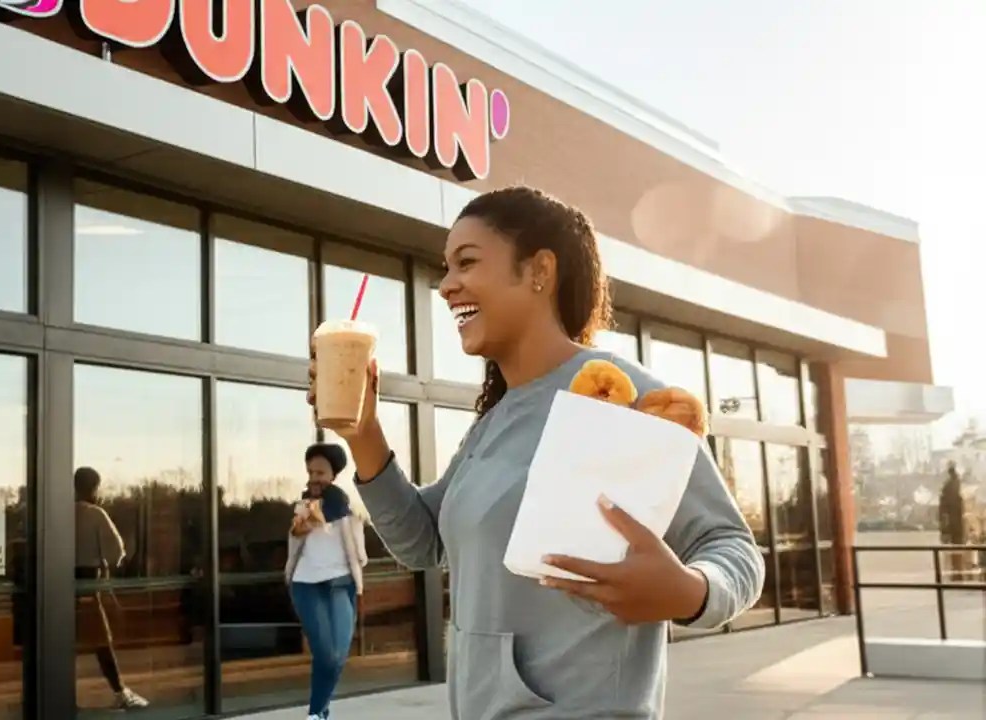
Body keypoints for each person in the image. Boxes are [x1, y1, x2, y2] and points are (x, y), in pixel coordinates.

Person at [308, 186, 764, 719]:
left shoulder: (620, 395)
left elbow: (732, 547)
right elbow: (423, 541)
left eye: (467, 262)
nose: (447, 286)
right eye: (445, 268)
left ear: (538, 271)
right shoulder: (495, 420)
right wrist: (364, 433)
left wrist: (690, 591)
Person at [285, 444, 368, 720]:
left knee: (338, 656)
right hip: (307, 585)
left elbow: (360, 552)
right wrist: (305, 524)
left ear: (333, 474)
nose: (314, 477)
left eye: (320, 472)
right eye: (310, 471)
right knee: (325, 655)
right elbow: (295, 533)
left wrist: (342, 516)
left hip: (341, 584)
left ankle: (319, 711)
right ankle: (316, 714)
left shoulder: (347, 506)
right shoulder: (304, 504)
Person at [73, 466, 149, 711]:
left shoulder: (56, 513)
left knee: (60, 641)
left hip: (55, 584)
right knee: (101, 641)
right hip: (87, 585)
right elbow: (116, 552)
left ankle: (54, 692)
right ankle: (120, 691)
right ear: (94, 487)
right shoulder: (95, 514)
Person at [938, 463, 967, 578]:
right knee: (958, 546)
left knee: (954, 547)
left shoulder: (948, 486)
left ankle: (956, 572)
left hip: (953, 522)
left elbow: (943, 507)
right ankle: (958, 572)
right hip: (958, 522)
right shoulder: (957, 485)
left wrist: (943, 525)